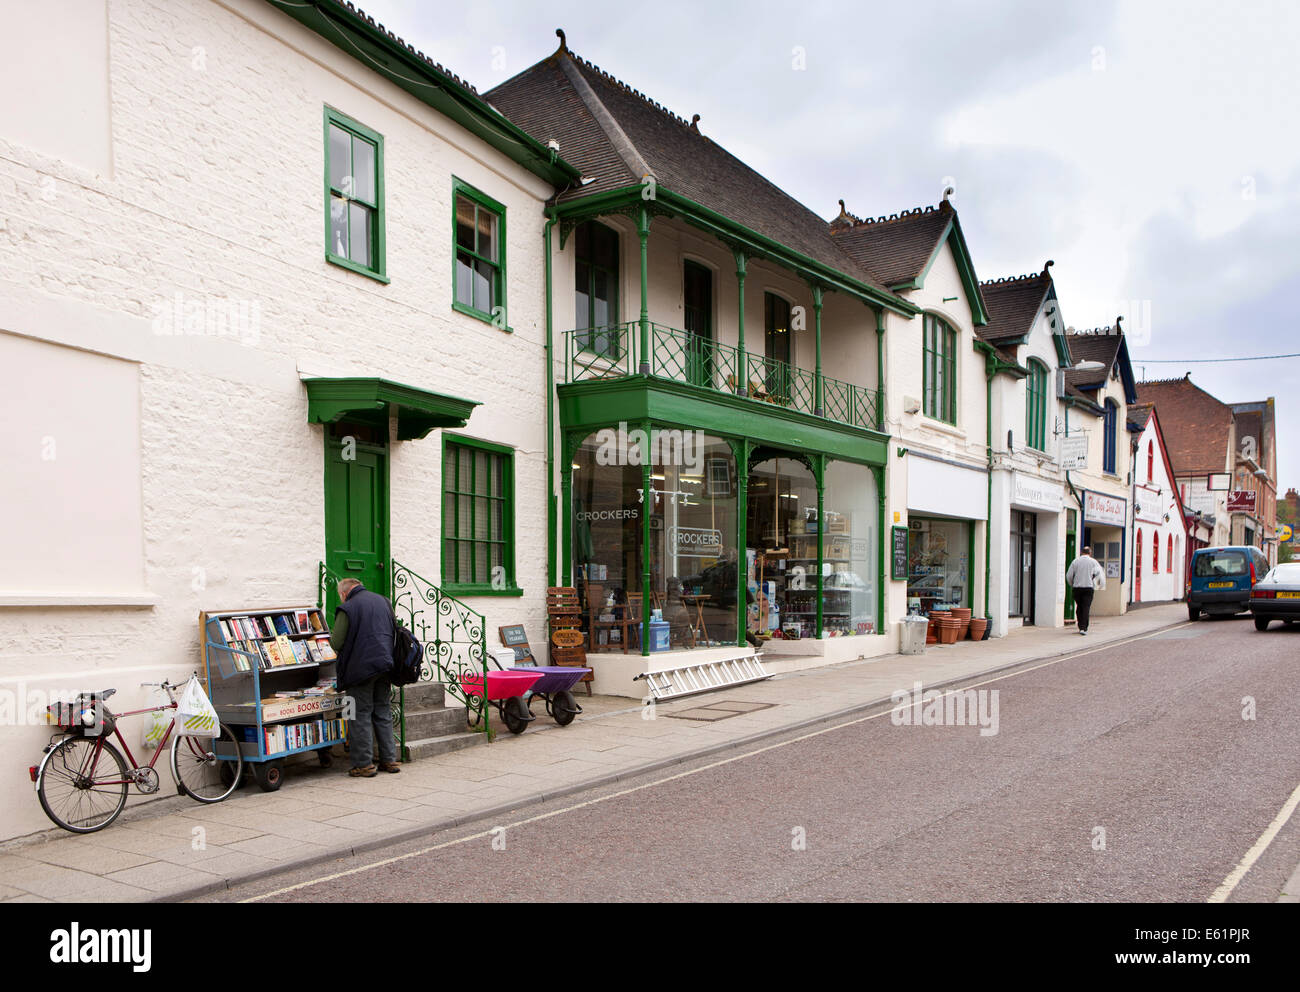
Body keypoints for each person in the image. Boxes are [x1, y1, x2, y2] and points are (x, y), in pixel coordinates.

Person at [330, 578, 399, 776]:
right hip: (386, 664)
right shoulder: (384, 601)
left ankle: (363, 764)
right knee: (383, 712)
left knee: (357, 715)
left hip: (359, 670)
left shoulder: (348, 608)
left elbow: (336, 642)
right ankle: (389, 760)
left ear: (344, 593)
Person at [1065, 546, 1105, 635]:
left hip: (1077, 588)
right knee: (1086, 607)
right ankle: (1084, 628)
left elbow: (1069, 576)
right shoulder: (1093, 562)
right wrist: (1099, 585)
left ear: (1081, 552)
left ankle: (1080, 626)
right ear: (1089, 553)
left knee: (1079, 607)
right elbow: (1100, 574)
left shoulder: (1075, 562)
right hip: (1088, 588)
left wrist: (1072, 584)